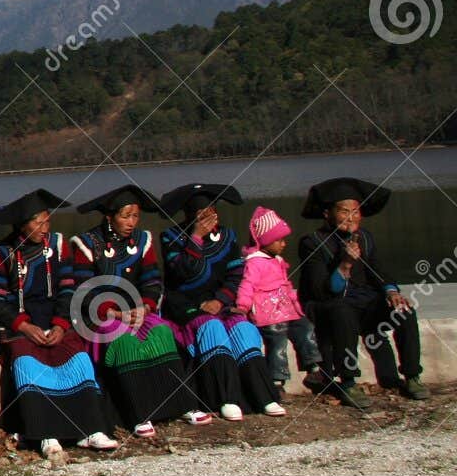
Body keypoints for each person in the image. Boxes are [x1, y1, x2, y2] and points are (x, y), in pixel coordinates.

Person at [0, 189, 118, 459]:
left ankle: (90, 429)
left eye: (47, 221)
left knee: (79, 360)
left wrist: (59, 324)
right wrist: (24, 326)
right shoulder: (1, 252)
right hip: (20, 324)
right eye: (38, 223)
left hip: (55, 318)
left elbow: (68, 288)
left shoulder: (58, 245)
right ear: (22, 225)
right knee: (28, 365)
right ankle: (45, 433)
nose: (45, 228)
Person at [69, 185, 210, 438]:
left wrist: (145, 306)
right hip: (102, 316)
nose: (131, 222)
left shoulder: (143, 241)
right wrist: (115, 313)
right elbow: (83, 289)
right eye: (125, 216)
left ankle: (181, 404)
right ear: (110, 217)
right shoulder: (87, 244)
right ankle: (139, 413)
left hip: (137, 310)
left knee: (161, 332)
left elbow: (152, 280)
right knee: (125, 341)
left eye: (135, 216)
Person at [297, 177, 425, 408]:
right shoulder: (312, 243)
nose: (351, 217)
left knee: (404, 311)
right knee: (342, 311)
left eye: (355, 212)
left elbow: (378, 271)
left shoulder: (365, 238)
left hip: (364, 303)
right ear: (327, 214)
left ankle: (412, 375)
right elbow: (322, 291)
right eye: (344, 211)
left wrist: (391, 291)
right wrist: (345, 264)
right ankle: (348, 381)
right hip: (330, 306)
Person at [159, 183, 279, 420]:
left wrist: (220, 300)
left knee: (243, 329)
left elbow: (236, 275)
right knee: (212, 328)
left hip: (220, 303)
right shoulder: (171, 237)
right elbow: (183, 272)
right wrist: (196, 237)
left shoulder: (227, 236)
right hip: (187, 305)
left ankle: (263, 395)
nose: (208, 218)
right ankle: (226, 397)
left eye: (212, 212)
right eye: (201, 214)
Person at [236, 207, 322, 406]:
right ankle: (276, 382)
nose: (284, 244)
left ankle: (313, 368)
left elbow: (286, 285)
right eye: (279, 240)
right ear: (266, 241)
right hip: (268, 312)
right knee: (278, 341)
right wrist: (243, 306)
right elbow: (247, 285)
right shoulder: (254, 263)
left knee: (305, 328)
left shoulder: (278, 260)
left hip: (286, 309)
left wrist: (296, 305)